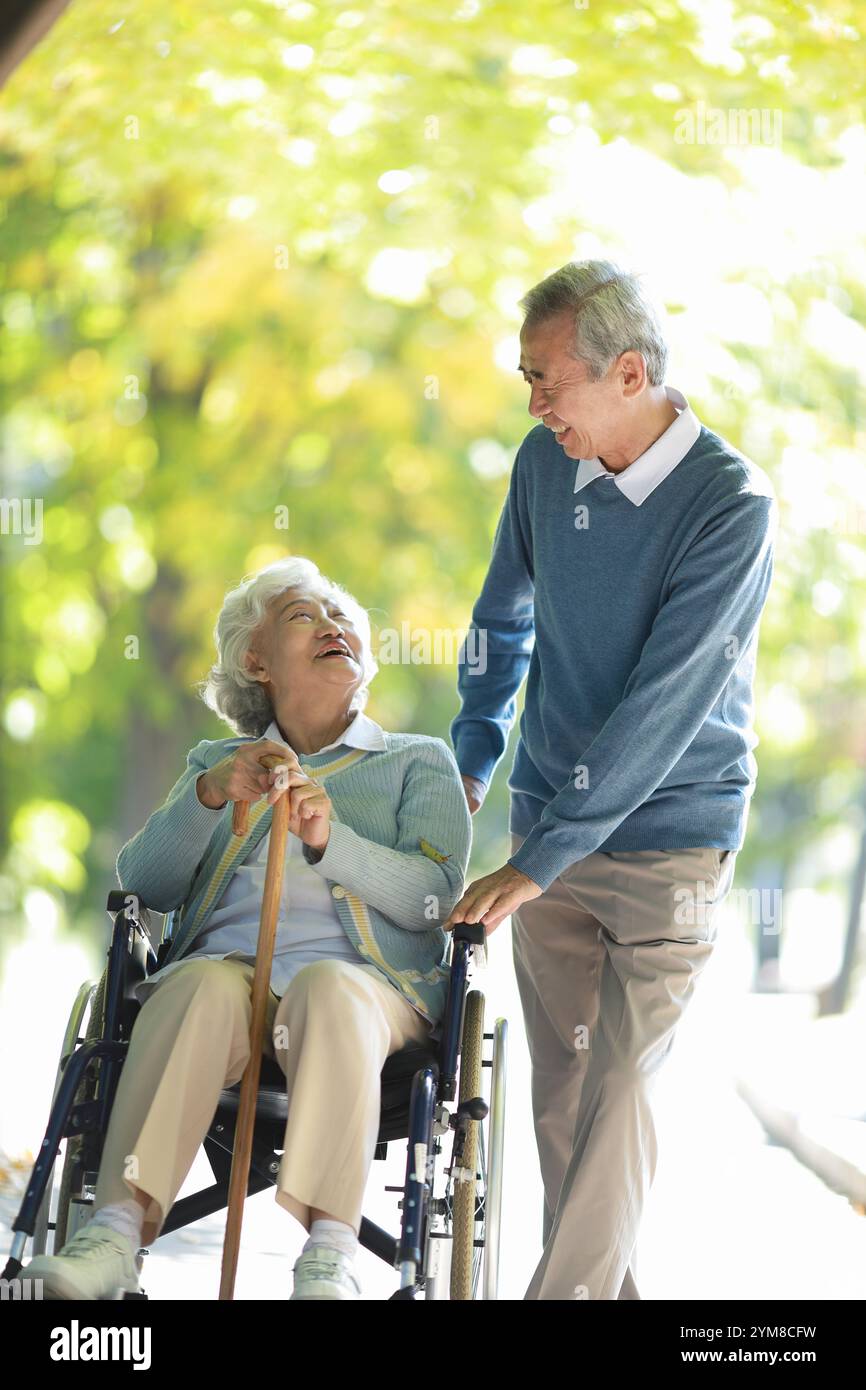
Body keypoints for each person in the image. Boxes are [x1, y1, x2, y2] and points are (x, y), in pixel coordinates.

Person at [446, 259, 778, 1300]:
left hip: (672, 836)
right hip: (550, 825)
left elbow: (661, 706)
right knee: (565, 1104)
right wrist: (471, 753)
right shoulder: (543, 468)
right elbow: (499, 621)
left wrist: (537, 859)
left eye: (547, 380)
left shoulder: (729, 506)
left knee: (624, 1088)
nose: (533, 402)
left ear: (627, 372)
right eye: (525, 380)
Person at [21, 555, 471, 1300]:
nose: (333, 624)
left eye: (339, 615)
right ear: (256, 662)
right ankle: (113, 1237)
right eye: (304, 615)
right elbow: (145, 884)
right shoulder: (221, 761)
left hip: (368, 990)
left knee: (331, 988)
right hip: (231, 981)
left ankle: (330, 1256)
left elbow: (433, 898)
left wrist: (335, 844)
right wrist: (206, 796)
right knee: (193, 983)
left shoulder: (418, 763)